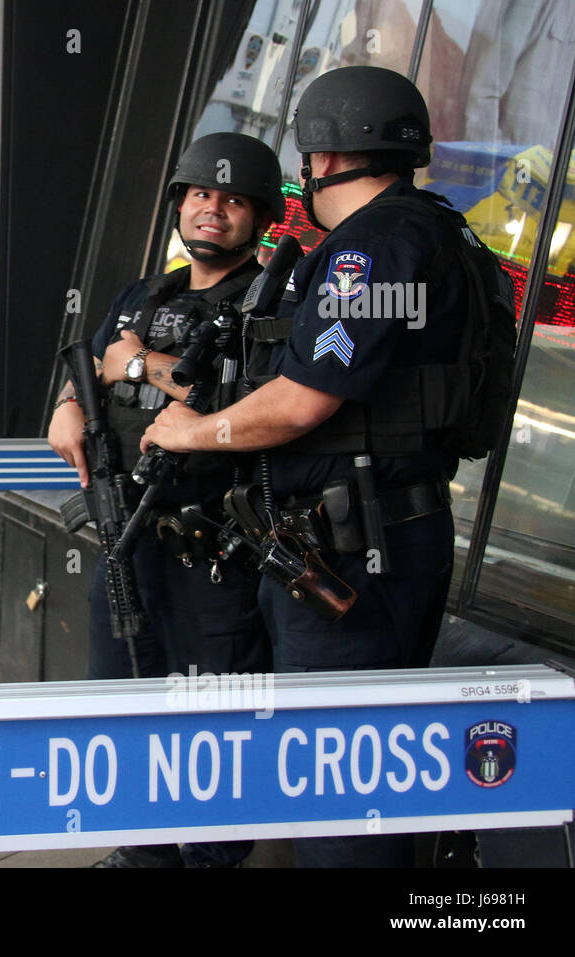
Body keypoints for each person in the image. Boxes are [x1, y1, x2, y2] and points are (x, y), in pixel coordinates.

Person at [142, 67, 504, 866]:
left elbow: (306, 401)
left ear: (323, 154)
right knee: (371, 763)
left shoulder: (371, 247)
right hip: (375, 533)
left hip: (351, 549)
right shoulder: (435, 229)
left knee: (342, 777)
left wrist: (191, 432)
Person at [48, 132, 283, 867]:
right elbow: (90, 363)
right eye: (201, 195)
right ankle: (143, 853)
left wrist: (140, 363)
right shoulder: (145, 292)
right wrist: (64, 403)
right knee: (120, 705)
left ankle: (210, 858)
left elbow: (257, 401)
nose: (214, 209)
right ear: (179, 204)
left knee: (216, 719)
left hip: (214, 552)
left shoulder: (269, 299)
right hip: (126, 536)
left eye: (234, 199)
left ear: (261, 217)